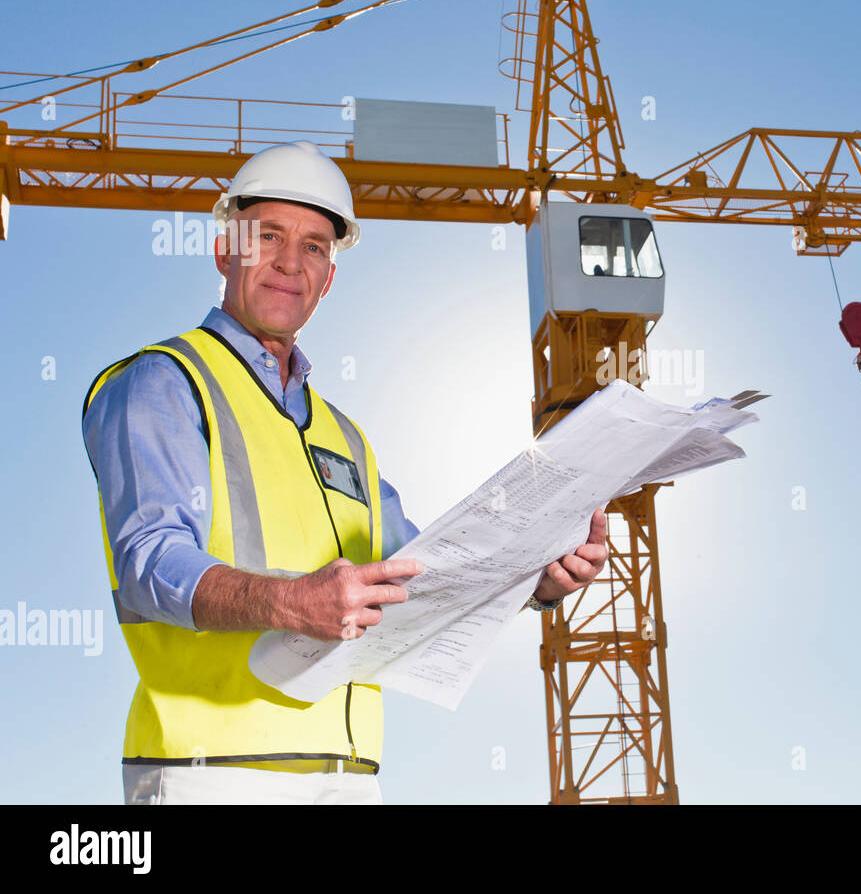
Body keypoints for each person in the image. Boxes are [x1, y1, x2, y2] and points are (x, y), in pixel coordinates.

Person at [81, 140, 607, 805]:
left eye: (314, 247)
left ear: (328, 278)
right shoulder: (165, 380)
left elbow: (426, 575)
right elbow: (150, 564)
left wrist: (538, 579)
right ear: (224, 251)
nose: (288, 263)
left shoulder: (346, 437)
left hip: (349, 782)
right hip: (212, 777)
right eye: (267, 235)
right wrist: (289, 602)